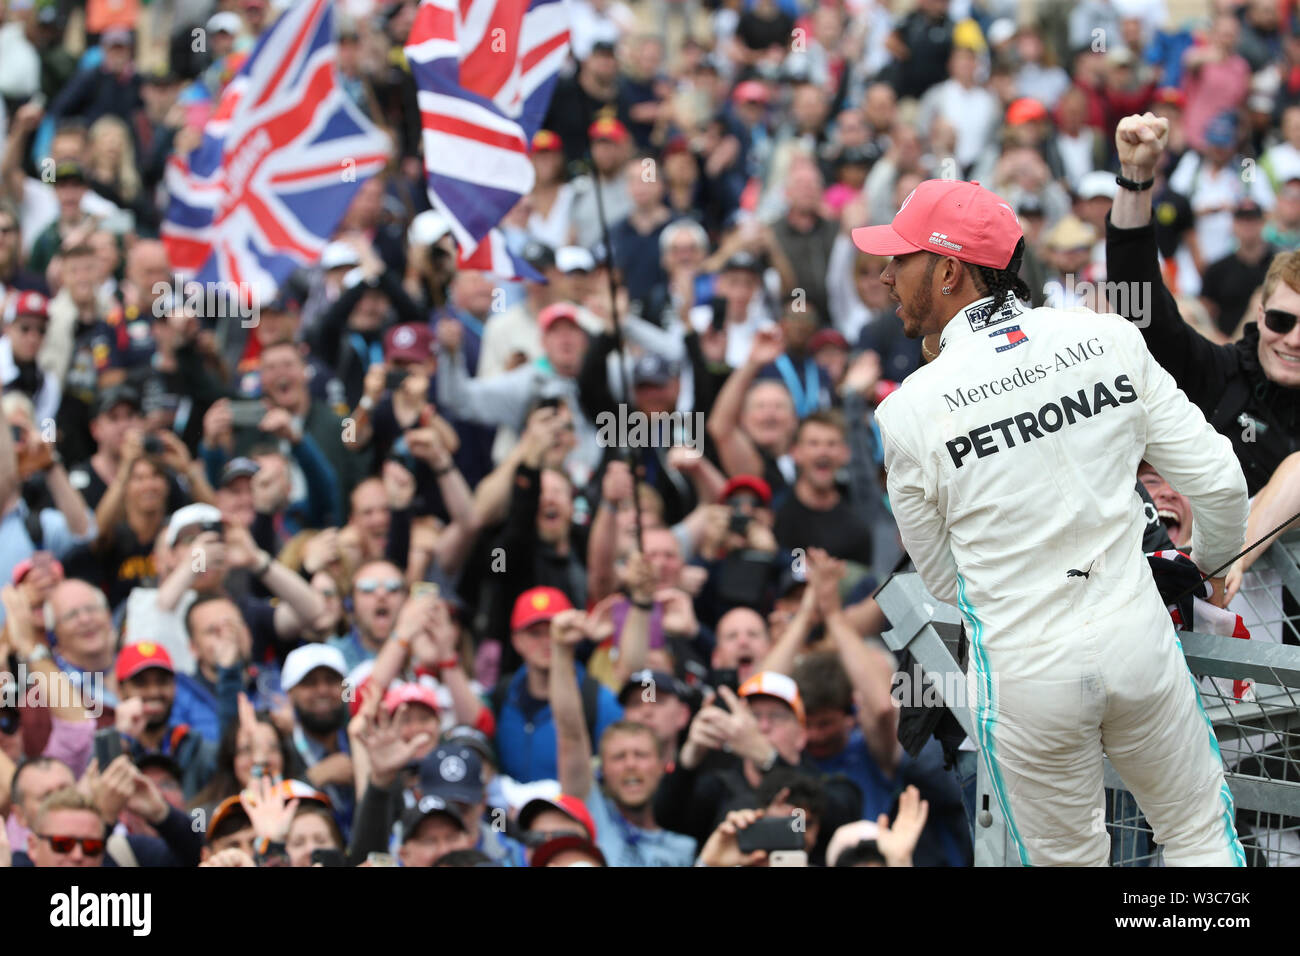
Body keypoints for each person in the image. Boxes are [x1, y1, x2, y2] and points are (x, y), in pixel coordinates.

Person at [853, 175, 1250, 866]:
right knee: (1198, 840)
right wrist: (1210, 568)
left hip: (1028, 678)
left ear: (948, 270)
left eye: (900, 257)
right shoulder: (1106, 337)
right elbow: (1219, 483)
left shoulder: (906, 410)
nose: (884, 274)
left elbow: (946, 584)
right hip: (1139, 648)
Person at [1108, 112, 1300, 497]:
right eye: (1282, 320)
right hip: (1211, 554)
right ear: (1260, 317)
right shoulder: (1216, 374)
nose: (1294, 340)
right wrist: (1135, 177)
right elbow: (1139, 306)